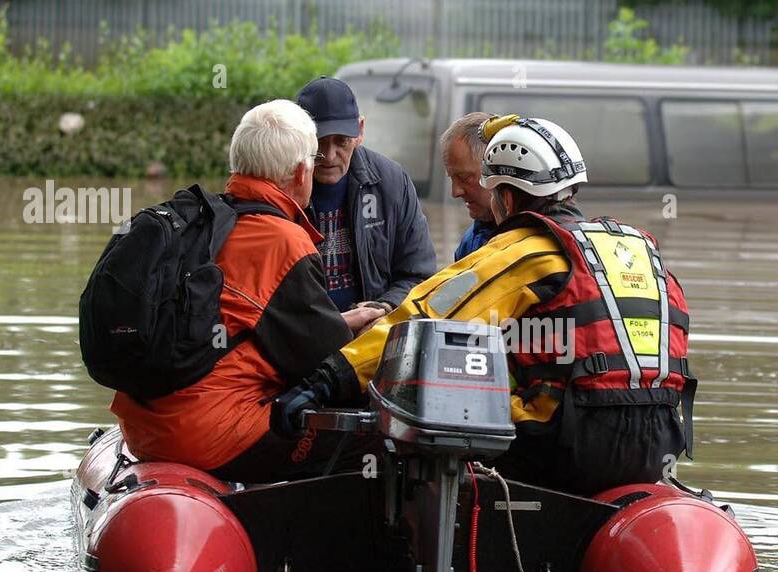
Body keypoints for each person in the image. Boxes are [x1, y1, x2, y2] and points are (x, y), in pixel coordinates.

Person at [273, 115, 696, 496]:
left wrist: (327, 380)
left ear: (507, 199)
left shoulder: (524, 251)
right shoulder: (636, 247)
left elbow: (423, 319)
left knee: (446, 387)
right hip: (658, 439)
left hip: (572, 447)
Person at [110, 99, 359, 483]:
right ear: (300, 172)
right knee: (368, 441)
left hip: (142, 429)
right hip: (207, 438)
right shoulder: (285, 243)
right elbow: (329, 361)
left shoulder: (200, 222)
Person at [294, 76, 436, 334]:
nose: (330, 154)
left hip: (371, 335)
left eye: (341, 141)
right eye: (319, 142)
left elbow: (419, 275)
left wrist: (383, 307)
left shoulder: (392, 182)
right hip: (302, 338)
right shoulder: (281, 186)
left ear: (359, 131)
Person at [439, 112, 498, 261]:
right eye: (452, 178)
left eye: (465, 178)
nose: (455, 192)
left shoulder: (545, 242)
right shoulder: (472, 240)